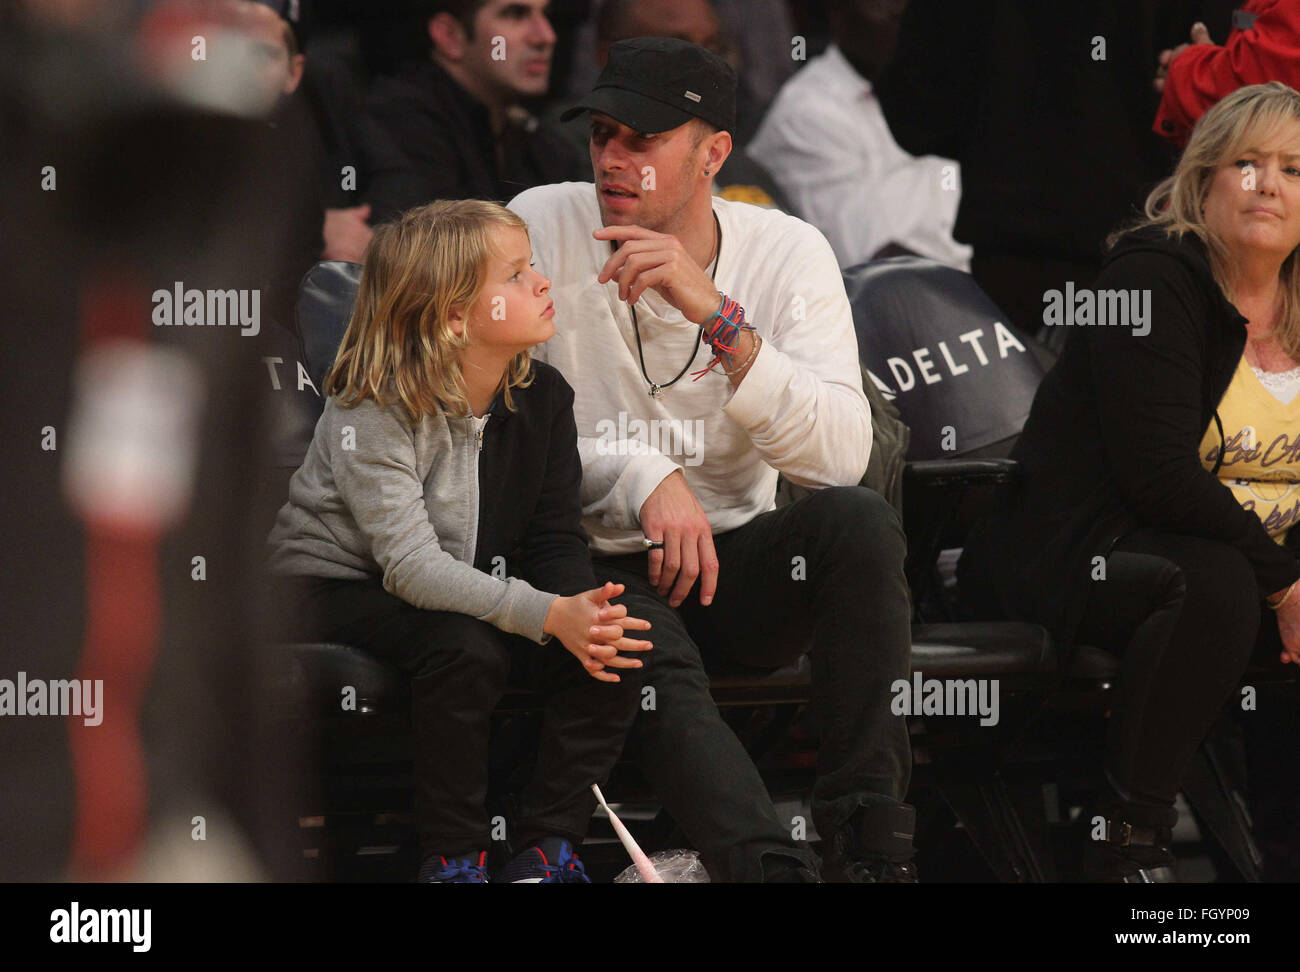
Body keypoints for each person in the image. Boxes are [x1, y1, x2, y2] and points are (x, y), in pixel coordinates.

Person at [509, 37, 917, 883]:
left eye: (643, 141)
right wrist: (641, 474)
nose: (613, 161)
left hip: (735, 568)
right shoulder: (537, 225)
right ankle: (771, 873)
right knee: (644, 651)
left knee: (859, 526)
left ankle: (873, 852)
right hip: (589, 565)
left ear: (713, 155)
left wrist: (719, 318)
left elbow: (842, 455)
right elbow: (497, 430)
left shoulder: (788, 251)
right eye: (602, 135)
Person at [958, 82, 1300, 881]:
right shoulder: (1148, 283)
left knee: (1227, 581)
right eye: (1246, 163)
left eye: (1292, 167)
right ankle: (1127, 844)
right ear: (1203, 177)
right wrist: (1287, 588)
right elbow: (1160, 479)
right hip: (1080, 556)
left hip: (1246, 566)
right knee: (1216, 584)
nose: (1269, 184)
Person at [265, 200, 652, 883]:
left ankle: (545, 853)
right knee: (463, 649)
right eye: (514, 275)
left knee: (610, 650)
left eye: (532, 265)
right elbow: (412, 569)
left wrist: (580, 611)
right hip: (333, 586)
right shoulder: (374, 405)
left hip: (454, 584)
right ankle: (452, 860)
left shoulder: (543, 397)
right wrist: (545, 614)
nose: (540, 282)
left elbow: (554, 536)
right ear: (451, 318)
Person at [750, 0, 971, 270]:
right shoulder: (808, 111)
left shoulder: (941, 91)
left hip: (974, 277)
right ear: (839, 16)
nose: (905, 22)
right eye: (889, 11)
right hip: (901, 297)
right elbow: (862, 258)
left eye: (910, 11)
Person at [366, 0, 587, 209]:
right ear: (450, 35)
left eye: (545, 14)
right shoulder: (399, 121)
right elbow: (436, 242)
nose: (546, 36)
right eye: (515, 14)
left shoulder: (536, 139)